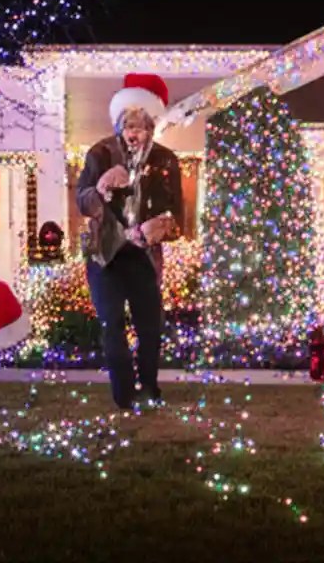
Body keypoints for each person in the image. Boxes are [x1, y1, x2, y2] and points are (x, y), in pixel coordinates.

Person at [76, 72, 184, 410]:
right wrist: (102, 188)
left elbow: (178, 217)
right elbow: (82, 200)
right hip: (105, 255)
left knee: (150, 327)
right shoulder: (100, 153)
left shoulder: (166, 161)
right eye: (128, 125)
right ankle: (124, 396)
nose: (133, 133)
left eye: (141, 125)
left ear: (152, 127)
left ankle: (149, 388)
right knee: (113, 326)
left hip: (142, 256)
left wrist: (164, 224)